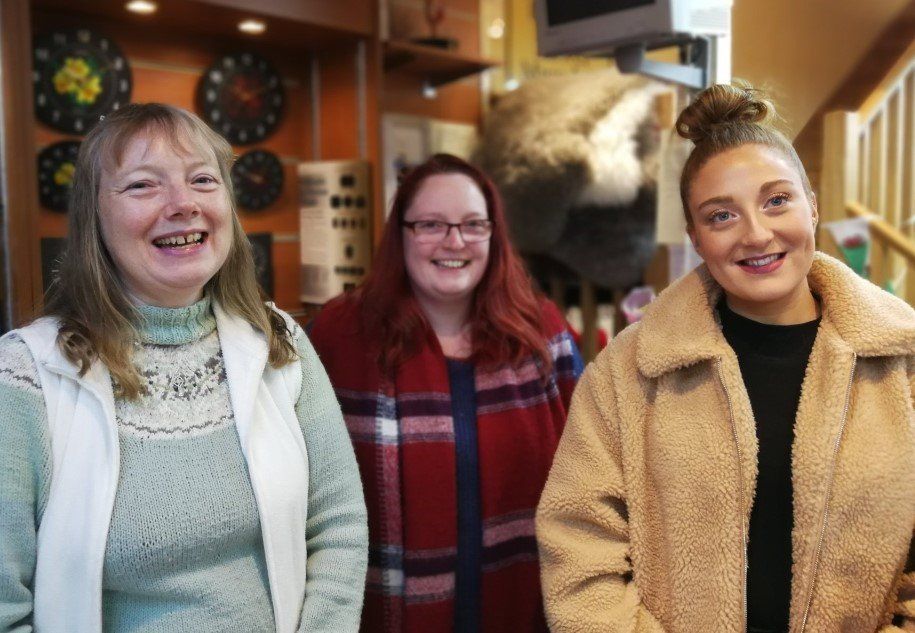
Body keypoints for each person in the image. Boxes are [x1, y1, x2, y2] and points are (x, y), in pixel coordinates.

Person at [537, 84, 915, 632]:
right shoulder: (628, 373)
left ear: (813, 206)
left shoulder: (903, 361)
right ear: (694, 235)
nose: (756, 234)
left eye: (776, 200)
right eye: (721, 216)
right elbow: (578, 550)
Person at [0, 103, 367, 632]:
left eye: (202, 180)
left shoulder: (278, 341)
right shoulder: (27, 374)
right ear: (94, 215)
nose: (183, 204)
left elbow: (337, 527)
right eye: (143, 186)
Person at [308, 153, 583, 632]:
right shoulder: (341, 335)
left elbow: (588, 474)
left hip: (524, 609)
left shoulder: (542, 333)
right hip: (381, 613)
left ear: (493, 235)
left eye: (473, 225)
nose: (455, 242)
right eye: (431, 225)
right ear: (402, 235)